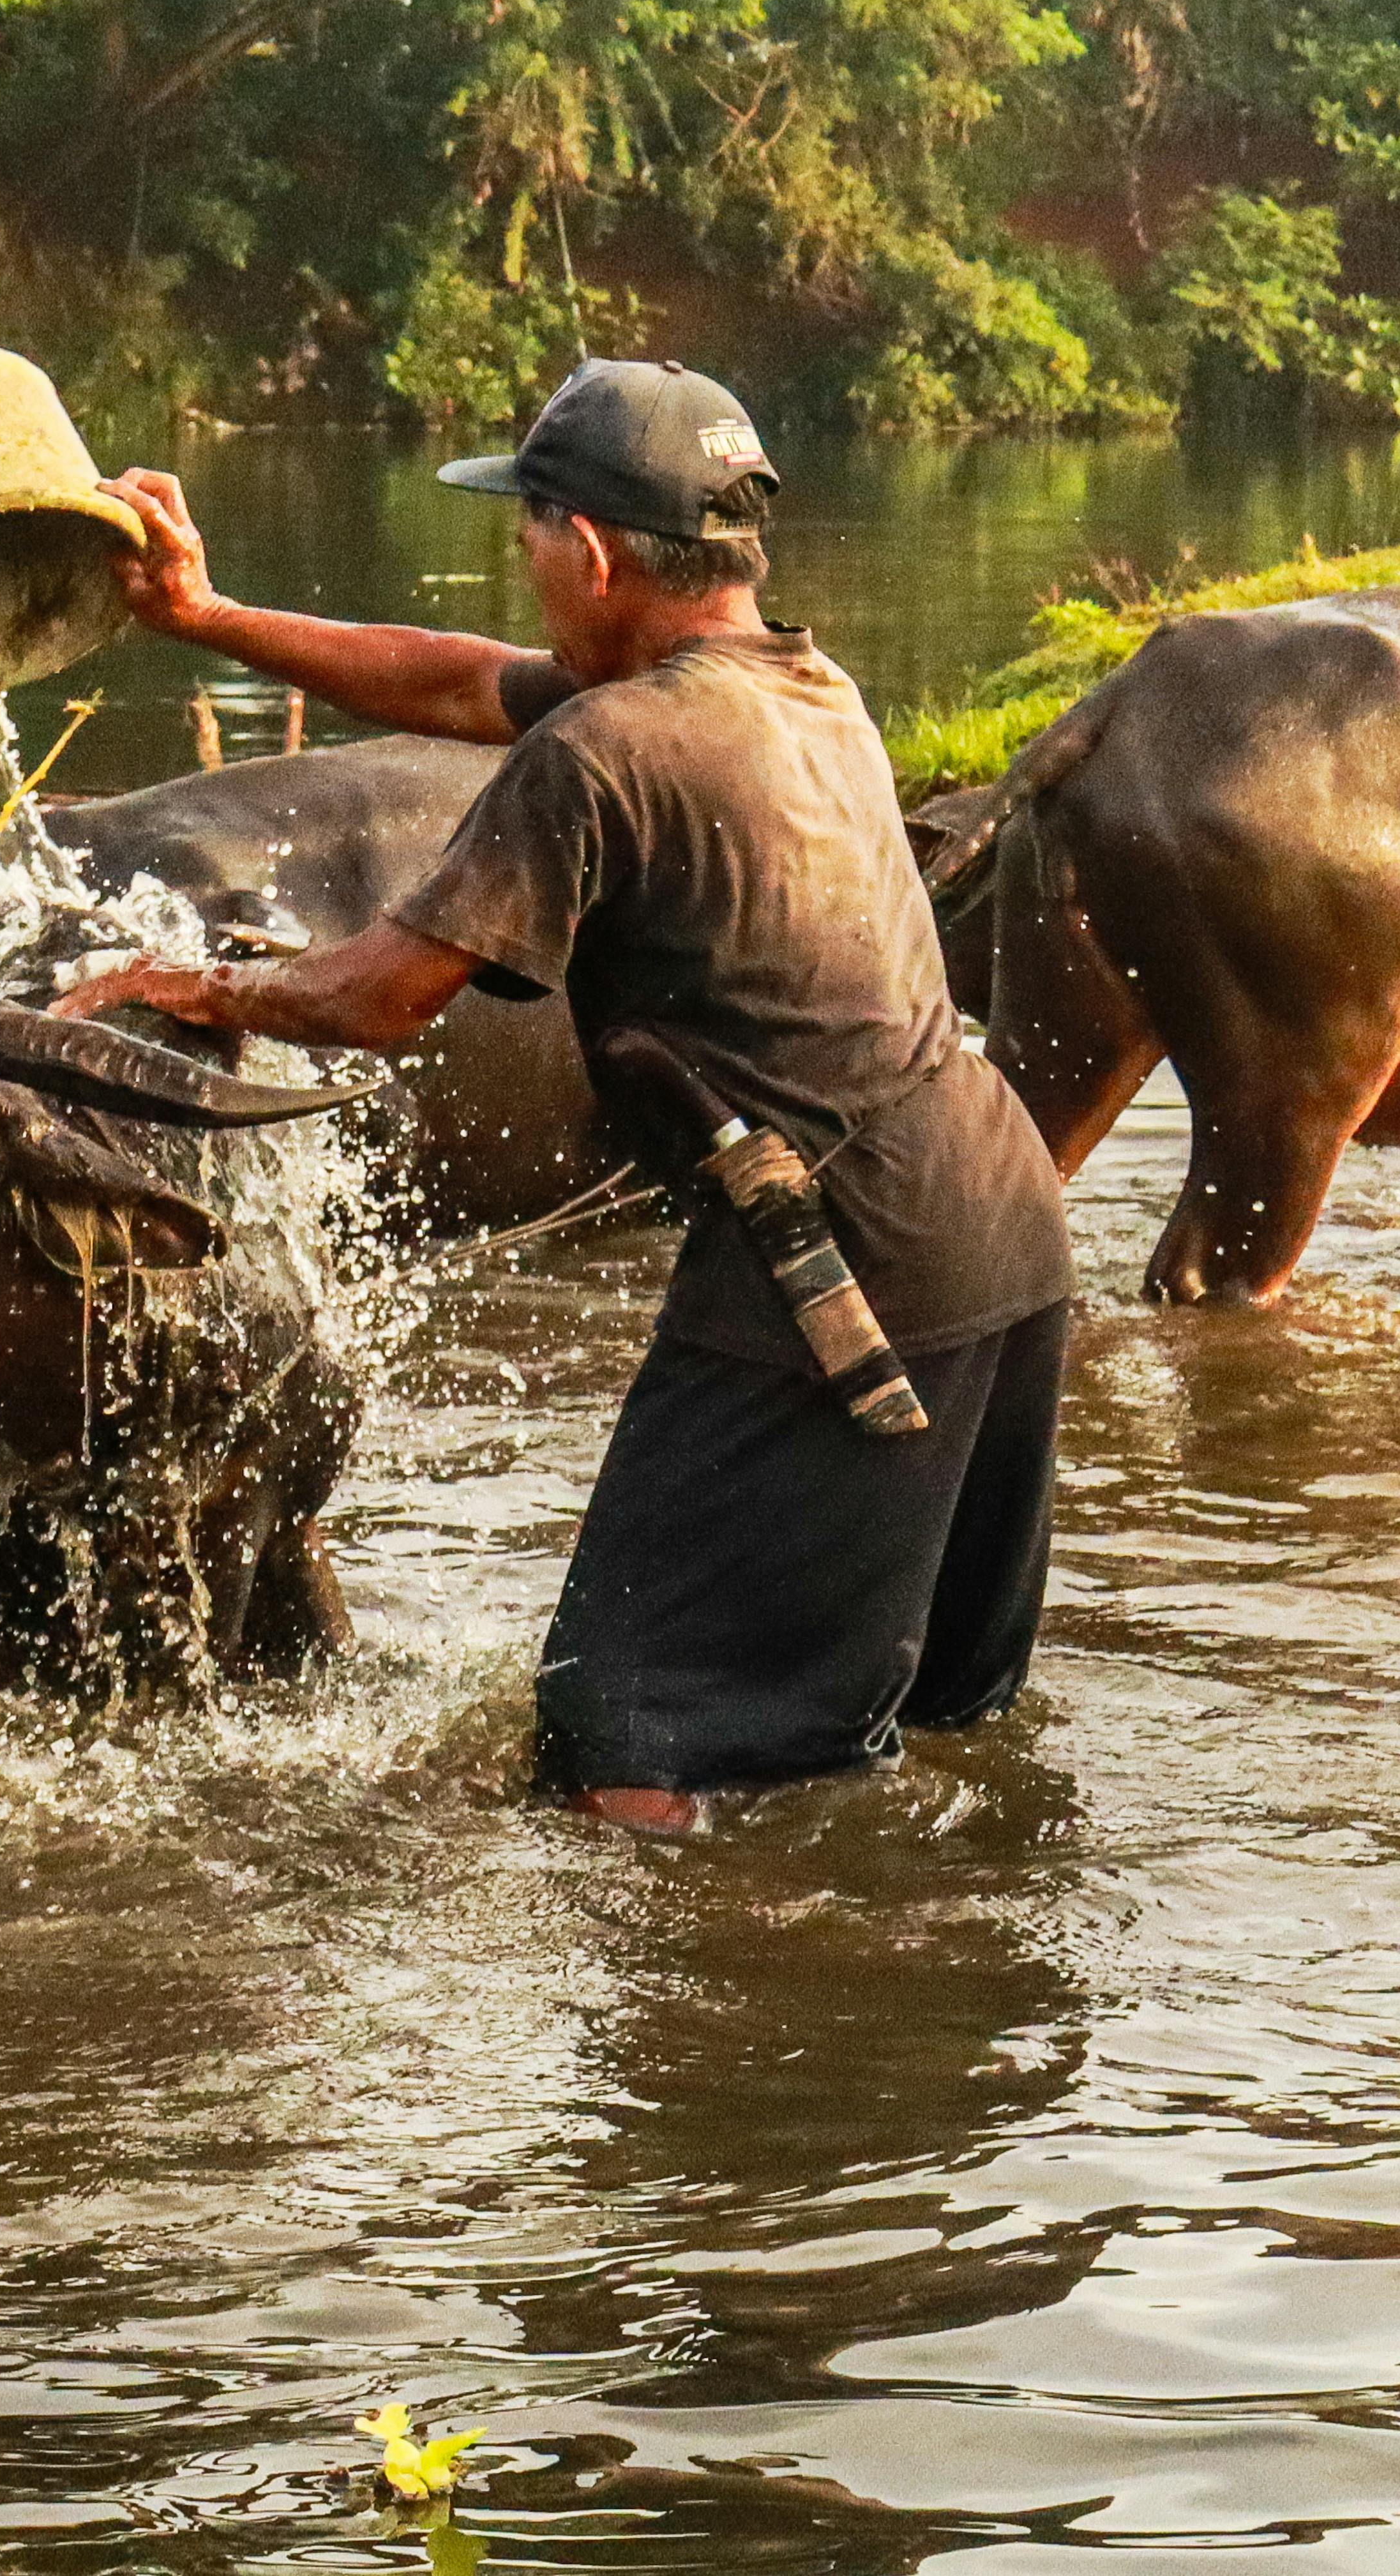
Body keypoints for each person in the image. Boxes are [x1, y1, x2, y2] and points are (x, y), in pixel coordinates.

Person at [52, 357, 1075, 1837]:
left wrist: (203, 988)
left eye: (529, 534)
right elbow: (458, 679)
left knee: (623, 1734)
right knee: (927, 1718)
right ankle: (929, 1987)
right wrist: (211, 622)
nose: (523, 568)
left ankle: (715, 2037)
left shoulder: (606, 751)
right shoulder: (805, 685)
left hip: (837, 1258)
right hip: (1004, 1216)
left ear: (589, 550)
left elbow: (382, 997)